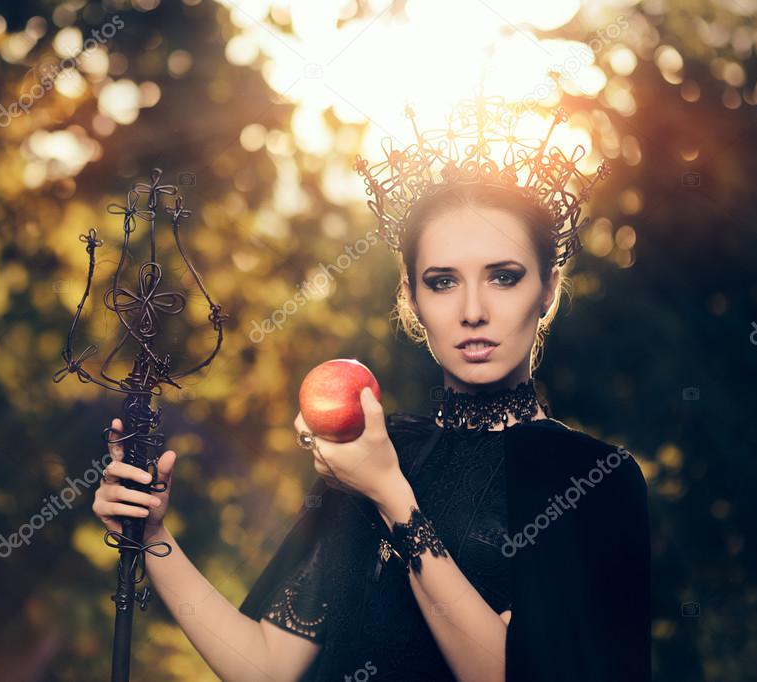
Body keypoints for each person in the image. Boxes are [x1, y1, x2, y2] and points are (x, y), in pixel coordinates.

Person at [91, 98, 651, 681]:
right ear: (412, 297)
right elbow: (265, 667)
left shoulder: (591, 479)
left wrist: (391, 495)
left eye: (504, 277)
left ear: (548, 290)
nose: (474, 310)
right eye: (442, 282)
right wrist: (153, 535)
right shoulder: (379, 451)